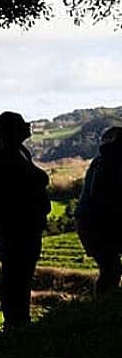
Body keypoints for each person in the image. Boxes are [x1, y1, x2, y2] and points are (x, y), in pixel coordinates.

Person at [0, 111, 50, 328]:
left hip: (16, 222)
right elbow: (34, 179)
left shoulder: (9, 152)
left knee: (18, 269)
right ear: (13, 130)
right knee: (17, 269)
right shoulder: (3, 155)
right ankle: (16, 320)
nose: (28, 126)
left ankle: (18, 318)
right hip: (14, 224)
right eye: (22, 123)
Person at [76, 127, 122, 297]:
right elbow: (103, 196)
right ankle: (104, 307)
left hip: (93, 222)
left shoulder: (103, 161)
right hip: (99, 223)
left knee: (110, 269)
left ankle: (103, 306)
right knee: (111, 269)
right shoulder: (107, 163)